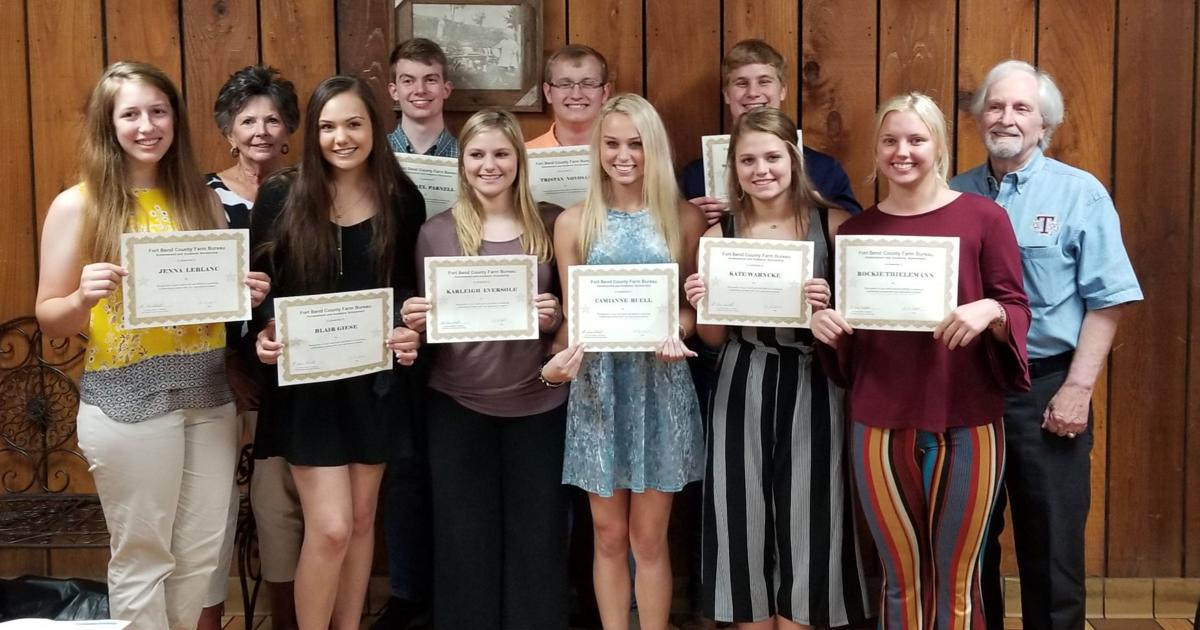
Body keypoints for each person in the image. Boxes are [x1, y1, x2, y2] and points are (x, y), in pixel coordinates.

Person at [34, 61, 269, 630]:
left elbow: (215, 305)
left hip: (208, 399)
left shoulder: (202, 200)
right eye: (131, 113)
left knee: (199, 558)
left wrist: (245, 292)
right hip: (127, 401)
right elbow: (49, 318)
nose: (147, 125)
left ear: (175, 120)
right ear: (108, 124)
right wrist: (81, 298)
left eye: (158, 111)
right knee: (143, 557)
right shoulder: (78, 204)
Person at [809, 92, 1031, 629]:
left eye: (915, 139)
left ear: (939, 145)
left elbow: (1016, 307)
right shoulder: (855, 233)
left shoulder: (984, 217)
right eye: (890, 141)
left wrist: (991, 311)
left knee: (959, 579)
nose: (902, 151)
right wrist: (826, 328)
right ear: (876, 149)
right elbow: (851, 335)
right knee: (898, 579)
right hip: (879, 420)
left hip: (968, 415)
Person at [950, 60, 1142, 630]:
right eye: (995, 106)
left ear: (1043, 124)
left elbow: (1109, 299)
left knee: (1053, 550)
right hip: (967, 388)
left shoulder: (1080, 193)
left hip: (1047, 387)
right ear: (980, 116)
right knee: (970, 545)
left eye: (1021, 108)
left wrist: (1078, 389)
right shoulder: (952, 192)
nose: (1006, 118)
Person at [683, 107, 875, 629]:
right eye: (748, 160)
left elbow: (866, 326)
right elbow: (713, 339)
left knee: (812, 515)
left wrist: (830, 307)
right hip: (741, 375)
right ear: (733, 167)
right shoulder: (718, 232)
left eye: (771, 156)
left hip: (814, 379)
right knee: (739, 512)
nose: (760, 169)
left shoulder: (834, 224)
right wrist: (703, 304)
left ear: (793, 157)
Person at [250, 75, 425, 630]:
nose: (341, 137)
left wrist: (409, 332)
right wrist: (262, 332)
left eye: (354, 124)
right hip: (308, 387)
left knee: (362, 520)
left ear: (375, 127)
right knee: (329, 527)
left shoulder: (403, 199)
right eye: (328, 126)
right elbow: (258, 289)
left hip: (374, 384)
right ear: (313, 134)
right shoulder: (282, 194)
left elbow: (407, 293)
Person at [541, 93, 707, 630]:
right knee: (608, 535)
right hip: (598, 390)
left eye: (635, 144)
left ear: (653, 148)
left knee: (649, 538)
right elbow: (573, 318)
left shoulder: (681, 218)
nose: (623, 155)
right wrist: (554, 362)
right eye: (611, 143)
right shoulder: (573, 222)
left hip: (661, 384)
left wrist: (677, 332)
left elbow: (690, 308)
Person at [398, 109, 569, 630]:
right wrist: (415, 320)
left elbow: (574, 306)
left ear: (519, 158)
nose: (489, 165)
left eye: (500, 153)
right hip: (457, 404)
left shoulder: (552, 221)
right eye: (477, 155)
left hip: (539, 400)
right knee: (462, 536)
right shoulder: (435, 232)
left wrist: (555, 313)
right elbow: (425, 326)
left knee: (536, 536)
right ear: (461, 162)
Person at [198, 64, 302, 630]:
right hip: (227, 378)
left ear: (288, 129)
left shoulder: (309, 190)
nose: (261, 130)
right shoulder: (201, 197)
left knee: (285, 504)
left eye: (272, 119)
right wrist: (228, 367)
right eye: (247, 120)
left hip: (300, 367)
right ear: (228, 131)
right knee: (227, 508)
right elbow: (187, 297)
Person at [679, 39, 861, 224]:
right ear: (727, 94)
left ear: (782, 90)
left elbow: (853, 236)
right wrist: (689, 219)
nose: (753, 92)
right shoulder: (695, 175)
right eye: (741, 83)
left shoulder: (826, 170)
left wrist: (822, 208)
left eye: (764, 82)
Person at [526, 44, 613, 149]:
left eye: (588, 84)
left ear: (605, 93)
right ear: (548, 92)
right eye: (565, 84)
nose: (576, 95)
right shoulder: (525, 157)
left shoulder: (623, 156)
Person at [387, 37, 458, 158]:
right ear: (394, 92)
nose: (420, 90)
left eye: (430, 80)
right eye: (408, 81)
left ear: (446, 90)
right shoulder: (373, 154)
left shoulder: (469, 157)